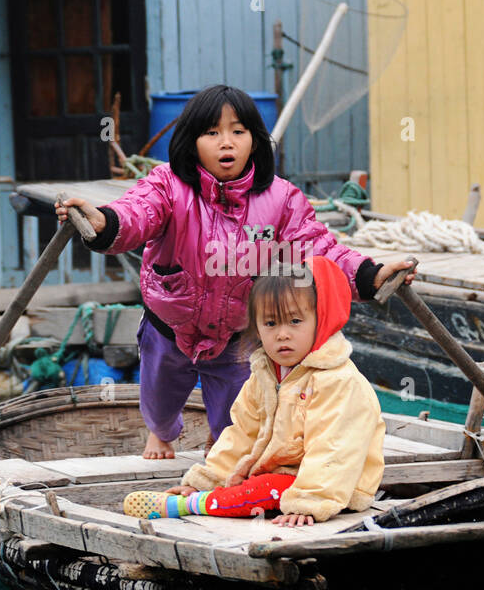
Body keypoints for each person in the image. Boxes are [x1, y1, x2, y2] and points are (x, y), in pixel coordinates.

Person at [55, 84, 412, 459]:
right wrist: (102, 221)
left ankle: (220, 446)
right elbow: (135, 213)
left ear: (255, 141)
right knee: (159, 408)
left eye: (238, 132)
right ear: (191, 142)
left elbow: (320, 249)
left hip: (237, 334)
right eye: (212, 133)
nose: (226, 143)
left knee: (236, 421)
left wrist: (370, 275)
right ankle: (160, 435)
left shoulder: (281, 199)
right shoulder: (167, 187)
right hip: (169, 328)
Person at [122, 257, 385, 526]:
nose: (282, 334)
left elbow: (334, 451)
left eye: (295, 321)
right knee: (255, 486)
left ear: (323, 320)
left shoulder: (338, 382)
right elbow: (241, 435)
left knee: (264, 489)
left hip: (334, 488)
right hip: (281, 478)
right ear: (257, 327)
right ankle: (204, 496)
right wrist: (208, 480)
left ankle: (188, 506)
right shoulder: (264, 375)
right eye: (270, 324)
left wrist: (309, 503)